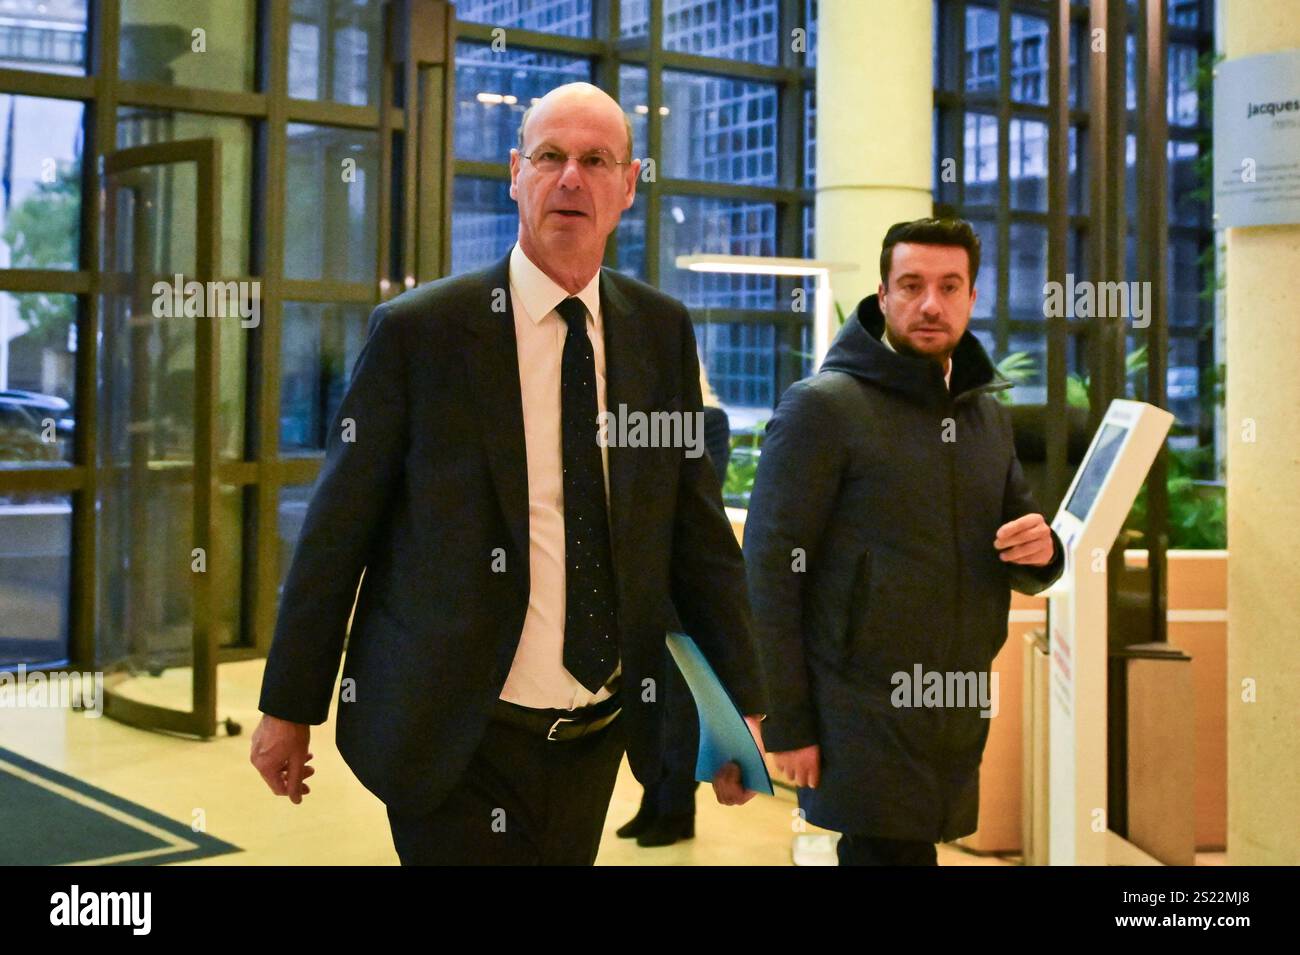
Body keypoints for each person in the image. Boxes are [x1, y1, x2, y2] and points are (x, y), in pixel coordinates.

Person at [250, 82, 768, 865]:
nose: (571, 178)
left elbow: (697, 539)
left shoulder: (659, 332)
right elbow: (337, 531)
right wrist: (288, 705)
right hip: (452, 733)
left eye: (596, 160)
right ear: (515, 173)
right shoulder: (421, 334)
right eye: (551, 156)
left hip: (594, 733)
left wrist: (744, 708)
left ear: (629, 184)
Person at [743, 217, 1064, 866]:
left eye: (950, 286)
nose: (930, 303)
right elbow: (769, 572)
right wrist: (789, 723)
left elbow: (1020, 545)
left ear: (973, 298)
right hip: (856, 709)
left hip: (952, 708)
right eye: (912, 284)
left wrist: (1045, 551)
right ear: (883, 294)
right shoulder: (825, 408)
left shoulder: (986, 416)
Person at [616, 365, 731, 847]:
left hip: (683, 583)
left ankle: (678, 808)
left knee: (682, 704)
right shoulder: (632, 420)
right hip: (641, 582)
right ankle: (652, 799)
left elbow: (698, 493)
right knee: (649, 699)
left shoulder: (709, 419)